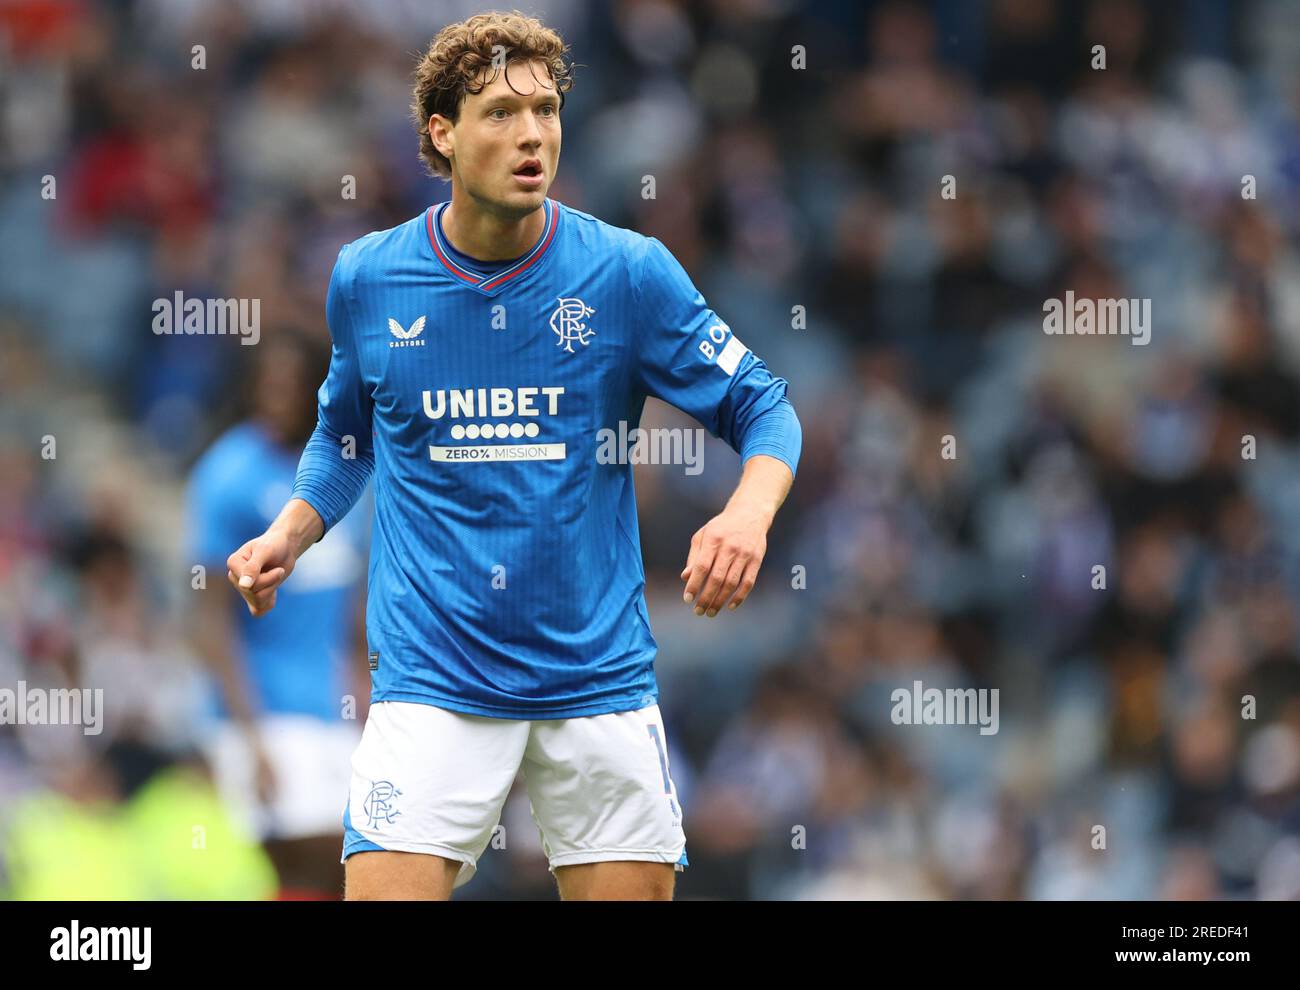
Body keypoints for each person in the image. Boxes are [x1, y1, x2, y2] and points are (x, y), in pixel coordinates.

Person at [224, 10, 801, 901]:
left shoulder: (626, 273)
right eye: (500, 112)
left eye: (546, 112)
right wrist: (290, 532)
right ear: (441, 134)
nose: (532, 133)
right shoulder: (368, 278)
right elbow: (347, 435)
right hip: (430, 678)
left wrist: (748, 512)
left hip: (594, 678)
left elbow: (764, 406)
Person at [190, 332, 369, 898]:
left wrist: (369, 686)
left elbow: (356, 600)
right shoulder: (228, 472)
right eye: (266, 383)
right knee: (313, 856)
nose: (277, 396)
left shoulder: (349, 471)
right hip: (264, 707)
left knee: (363, 857)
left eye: (291, 385)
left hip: (334, 704)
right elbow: (209, 620)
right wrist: (249, 736)